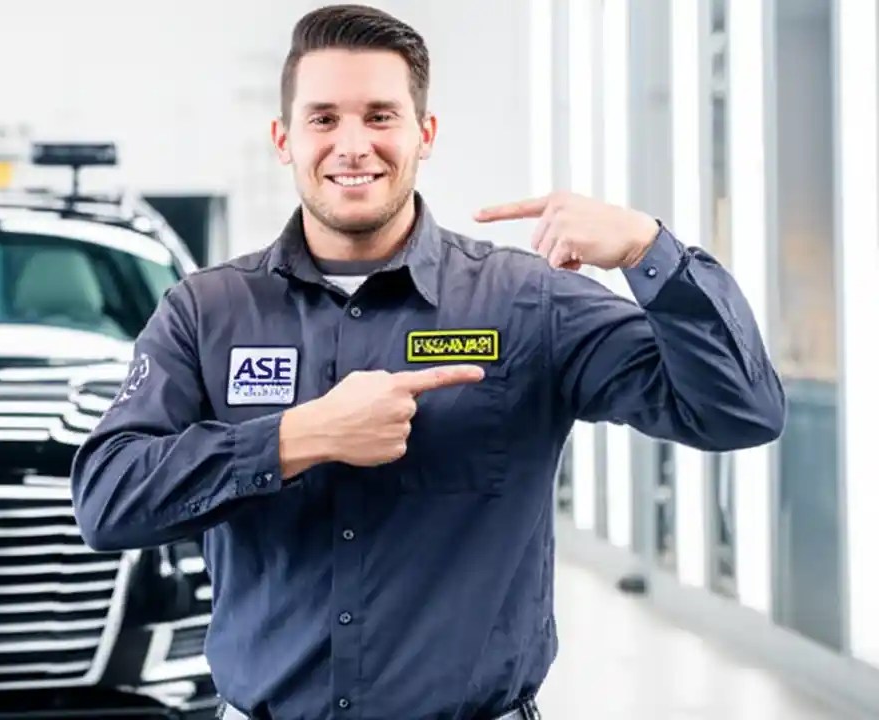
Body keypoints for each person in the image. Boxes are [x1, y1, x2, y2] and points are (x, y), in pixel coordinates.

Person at [70, 4, 786, 719]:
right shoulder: (208, 311)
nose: (353, 145)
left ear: (426, 133)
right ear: (284, 139)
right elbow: (107, 501)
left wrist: (647, 251)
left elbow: (738, 411)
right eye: (324, 118)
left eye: (380, 116)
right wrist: (298, 437)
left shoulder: (526, 303)